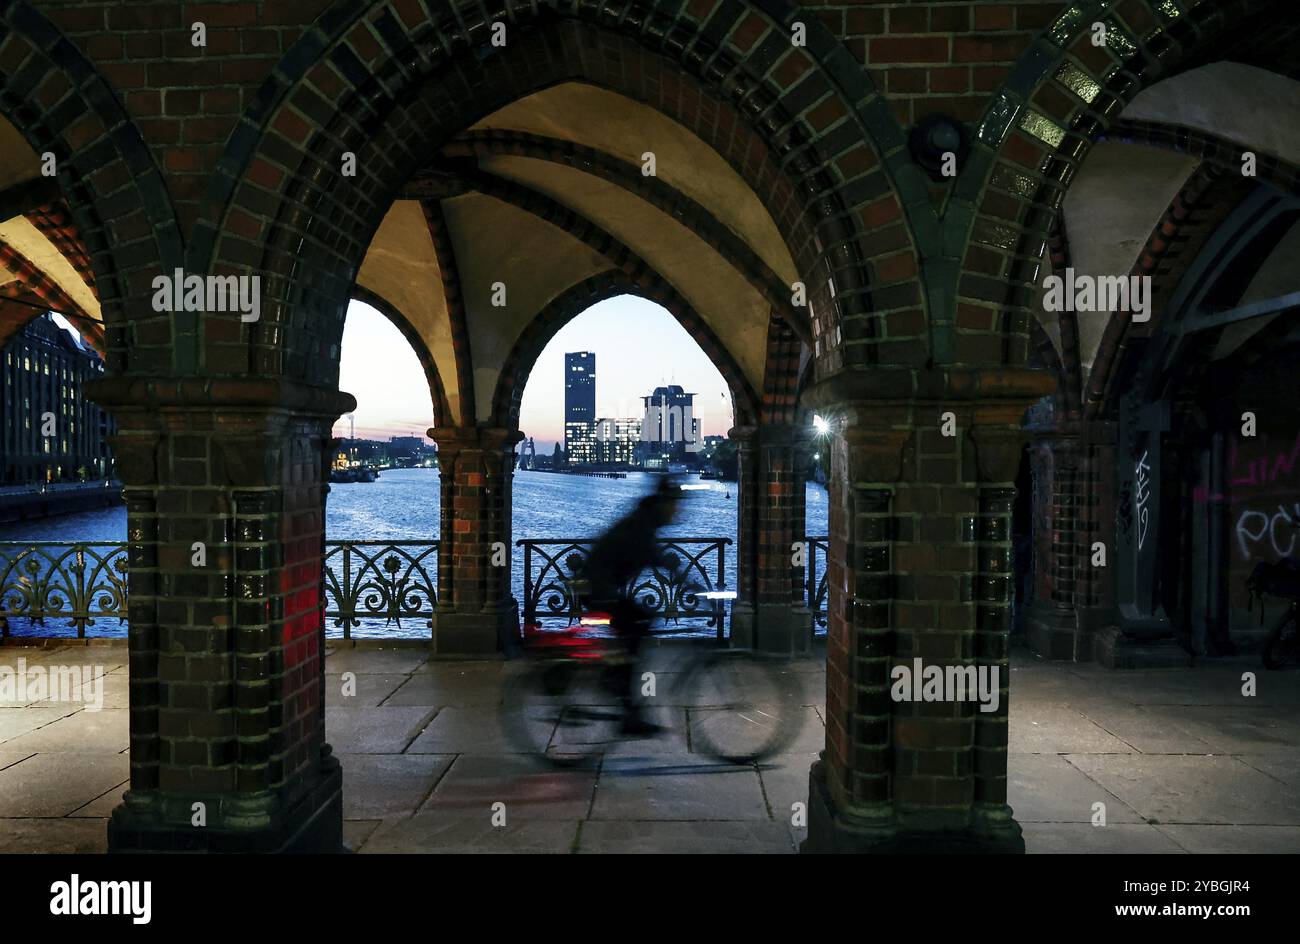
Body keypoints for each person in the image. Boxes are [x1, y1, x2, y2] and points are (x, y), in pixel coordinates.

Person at [576, 477, 682, 734]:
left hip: (596, 584)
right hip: (597, 588)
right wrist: (682, 578)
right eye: (675, 505)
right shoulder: (643, 525)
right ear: (663, 504)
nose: (677, 511)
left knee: (634, 625)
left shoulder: (643, 519)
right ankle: (620, 687)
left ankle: (618, 670)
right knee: (637, 623)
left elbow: (651, 555)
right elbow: (652, 554)